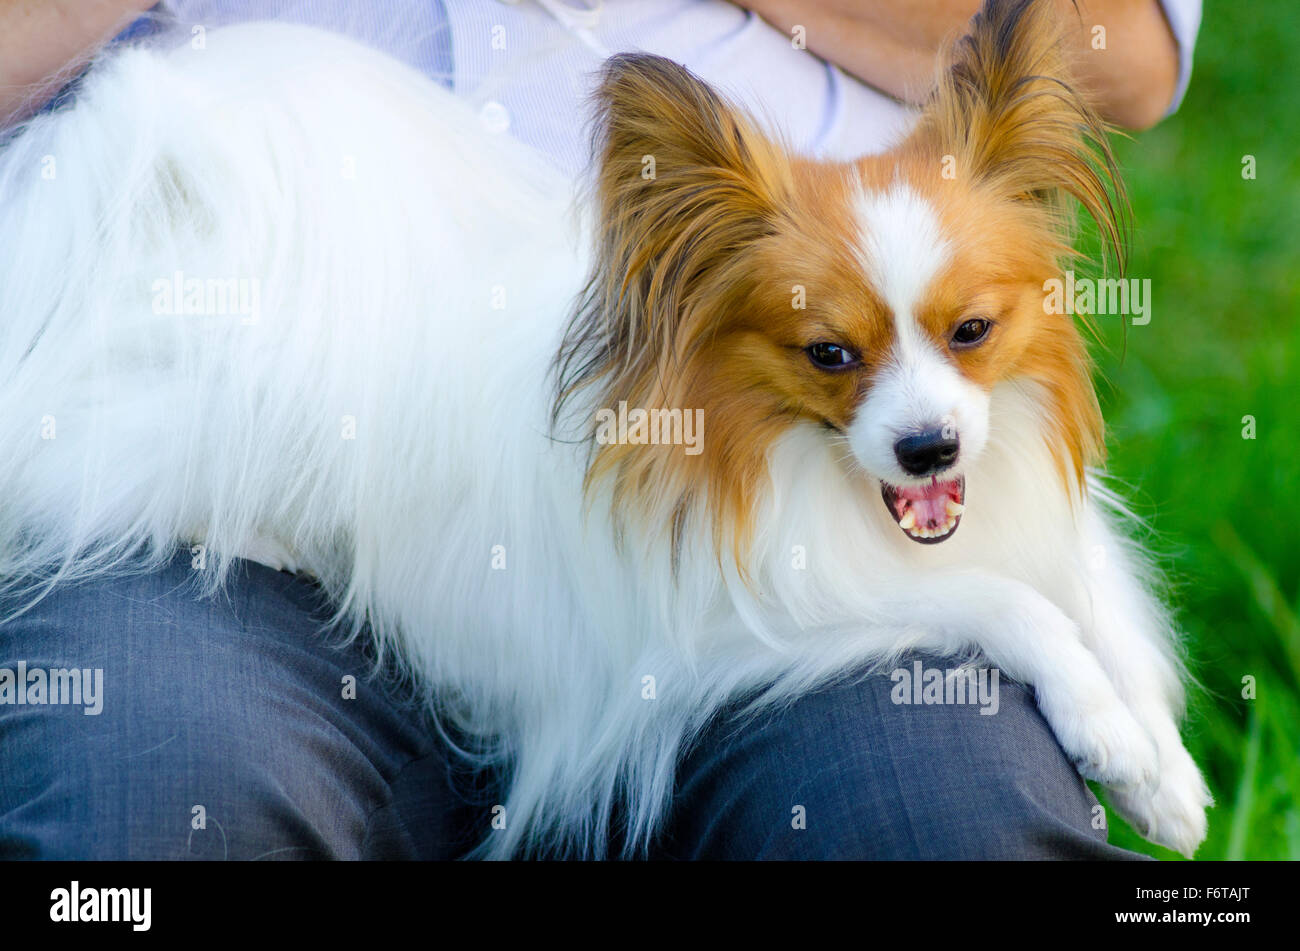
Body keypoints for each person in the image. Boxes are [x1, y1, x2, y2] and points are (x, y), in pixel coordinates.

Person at [0, 0, 1201, 860]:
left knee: (941, 823)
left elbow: (1124, 49)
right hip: (222, 469)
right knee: (140, 806)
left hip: (743, 498)